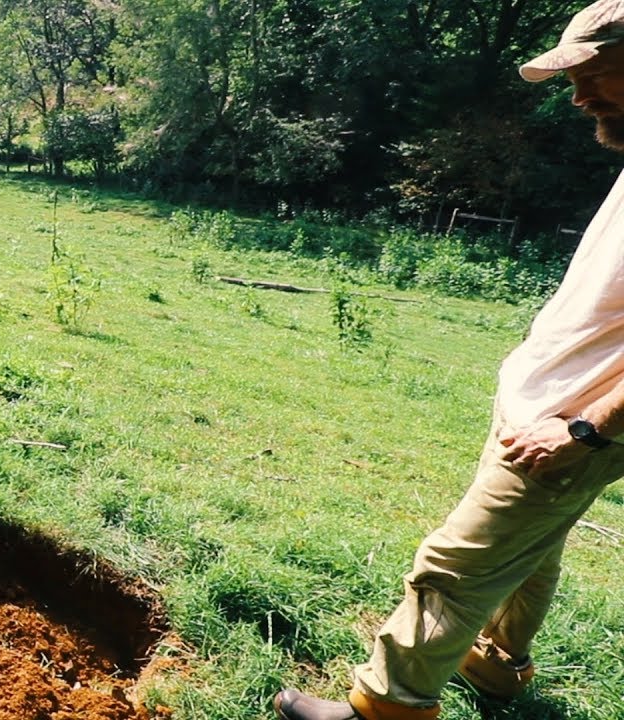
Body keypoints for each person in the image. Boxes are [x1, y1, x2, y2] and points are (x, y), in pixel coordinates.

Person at [275, 2, 624, 718]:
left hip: (572, 420)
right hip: (549, 403)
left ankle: (386, 706)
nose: (579, 94)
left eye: (597, 74)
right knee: (534, 550)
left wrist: (584, 428)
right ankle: (495, 666)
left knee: (452, 569)